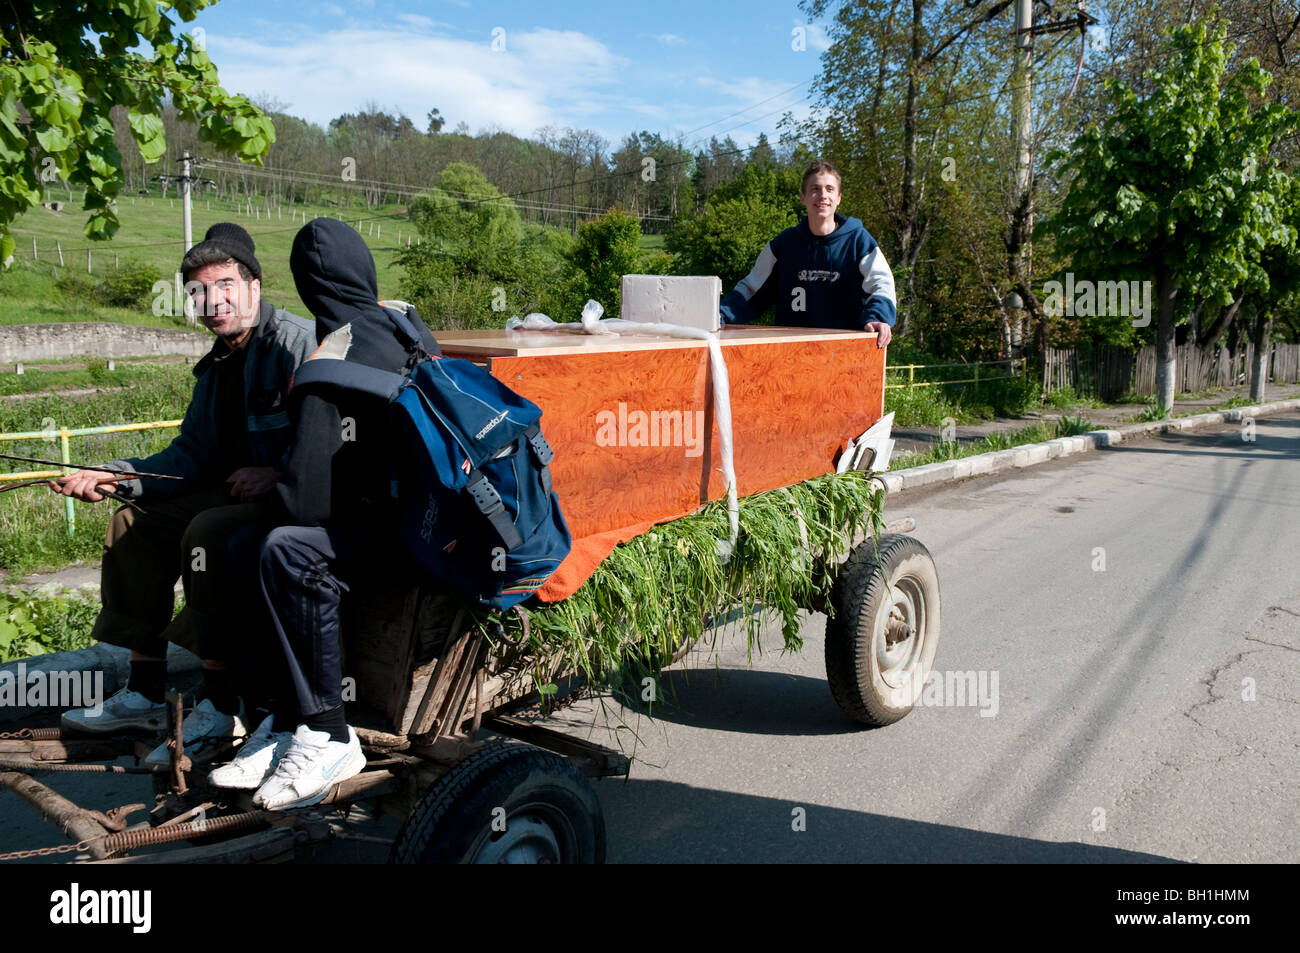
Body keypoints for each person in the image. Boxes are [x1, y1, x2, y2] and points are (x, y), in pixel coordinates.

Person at [54, 224, 315, 768]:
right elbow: (189, 457)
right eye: (198, 292)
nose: (213, 301)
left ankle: (222, 707)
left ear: (254, 286)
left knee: (209, 532)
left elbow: (327, 441)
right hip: (226, 492)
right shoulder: (216, 366)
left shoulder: (294, 345)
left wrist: (278, 474)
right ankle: (146, 693)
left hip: (295, 501)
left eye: (224, 285)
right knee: (133, 521)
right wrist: (115, 474)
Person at [207, 217, 441, 809]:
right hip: (438, 526)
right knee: (243, 547)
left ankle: (328, 731)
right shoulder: (406, 327)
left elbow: (305, 501)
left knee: (282, 547)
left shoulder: (330, 358)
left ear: (307, 286)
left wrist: (272, 485)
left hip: (404, 544)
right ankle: (284, 718)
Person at [718, 159, 896, 348]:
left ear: (839, 198)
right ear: (803, 197)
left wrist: (878, 317)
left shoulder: (858, 241)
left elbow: (881, 283)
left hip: (844, 353)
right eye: (815, 189)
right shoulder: (784, 244)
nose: (822, 195)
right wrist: (719, 316)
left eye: (829, 189)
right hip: (792, 354)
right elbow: (751, 289)